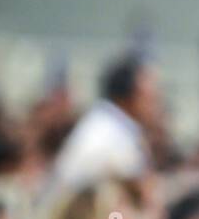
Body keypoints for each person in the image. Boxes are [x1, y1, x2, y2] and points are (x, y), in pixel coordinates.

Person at [52, 54, 163, 193]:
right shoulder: (109, 134)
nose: (155, 104)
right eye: (149, 97)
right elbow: (139, 194)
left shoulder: (104, 122)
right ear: (128, 96)